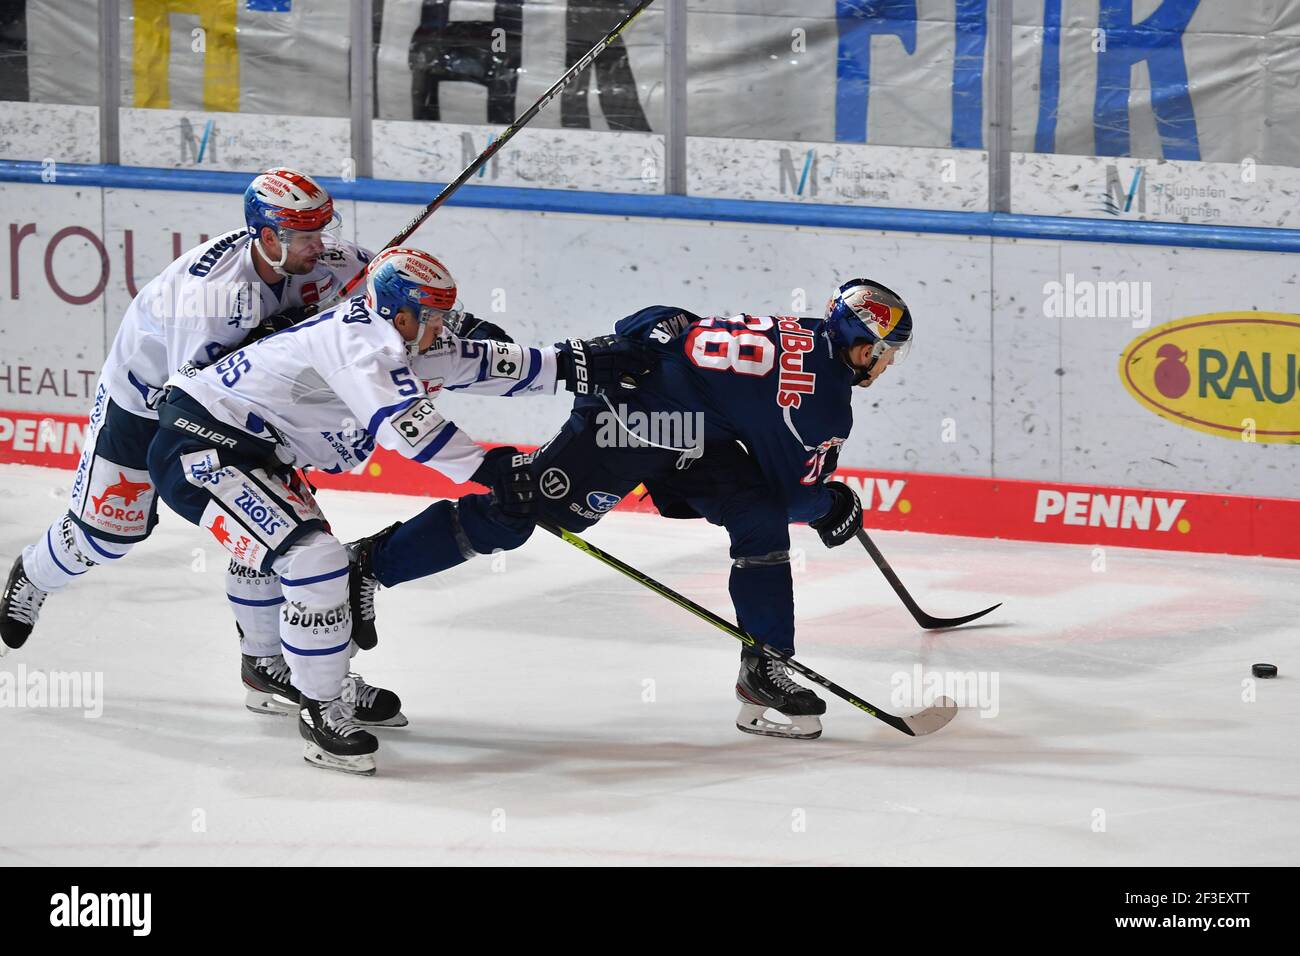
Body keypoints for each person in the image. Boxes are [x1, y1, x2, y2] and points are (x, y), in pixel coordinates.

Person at [145, 246, 656, 774]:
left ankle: (275, 669)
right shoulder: (361, 347)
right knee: (312, 560)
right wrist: (494, 470)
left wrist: (581, 364)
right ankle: (321, 707)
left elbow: (488, 364)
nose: (444, 327)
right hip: (201, 447)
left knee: (279, 549)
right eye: (435, 317)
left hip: (254, 450)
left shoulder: (403, 334)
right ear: (402, 314)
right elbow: (407, 430)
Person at [348, 278, 914, 741]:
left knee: (758, 512)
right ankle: (369, 564)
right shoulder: (824, 403)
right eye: (888, 355)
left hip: (689, 430)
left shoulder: (796, 331)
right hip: (633, 420)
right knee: (518, 511)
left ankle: (764, 667)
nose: (887, 365)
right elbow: (797, 493)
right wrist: (828, 504)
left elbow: (659, 321)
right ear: (866, 350)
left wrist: (813, 500)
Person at [0, 167, 368, 669]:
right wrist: (283, 333)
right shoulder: (211, 298)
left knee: (275, 531)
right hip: (152, 406)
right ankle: (36, 573)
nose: (319, 245)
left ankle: (265, 665)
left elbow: (384, 285)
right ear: (266, 236)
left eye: (321, 231)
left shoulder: (317, 261)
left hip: (240, 412)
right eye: (305, 235)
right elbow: (192, 395)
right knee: (106, 535)